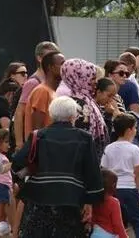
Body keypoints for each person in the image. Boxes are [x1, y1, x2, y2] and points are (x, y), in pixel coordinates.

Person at [13, 96, 104, 237]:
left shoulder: (38, 135)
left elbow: (17, 163)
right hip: (71, 199)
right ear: (73, 115)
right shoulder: (84, 137)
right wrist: (89, 202)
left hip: (40, 198)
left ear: (51, 114)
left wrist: (18, 182)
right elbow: (92, 172)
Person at [101, 113, 139, 238]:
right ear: (129, 130)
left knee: (116, 221)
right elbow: (138, 173)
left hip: (112, 189)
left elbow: (104, 170)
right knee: (138, 221)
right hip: (130, 188)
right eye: (135, 128)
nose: (136, 130)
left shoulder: (109, 148)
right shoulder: (134, 149)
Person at [57, 58, 110, 161]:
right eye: (92, 78)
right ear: (80, 78)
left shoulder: (87, 100)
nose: (96, 82)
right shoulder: (77, 105)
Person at [13, 41, 61, 149]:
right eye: (50, 56)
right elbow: (20, 112)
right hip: (36, 142)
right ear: (39, 58)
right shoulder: (33, 83)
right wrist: (19, 144)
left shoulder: (50, 81)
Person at [91, 169, 128, 238]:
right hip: (109, 234)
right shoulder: (113, 202)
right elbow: (117, 225)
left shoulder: (93, 200)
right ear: (113, 185)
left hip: (94, 233)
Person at [0, 129, 15, 238]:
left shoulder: (0, 156)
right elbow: (1, 170)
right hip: (1, 187)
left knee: (1, 213)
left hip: (4, 186)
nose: (8, 145)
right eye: (6, 142)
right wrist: (13, 163)